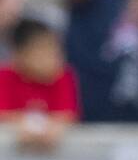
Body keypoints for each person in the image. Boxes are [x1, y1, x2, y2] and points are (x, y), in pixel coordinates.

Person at [0, 13, 80, 150]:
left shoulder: (63, 76)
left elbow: (68, 114)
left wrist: (50, 129)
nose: (51, 60)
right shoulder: (5, 76)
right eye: (42, 52)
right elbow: (3, 113)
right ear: (20, 55)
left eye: (55, 52)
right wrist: (26, 125)